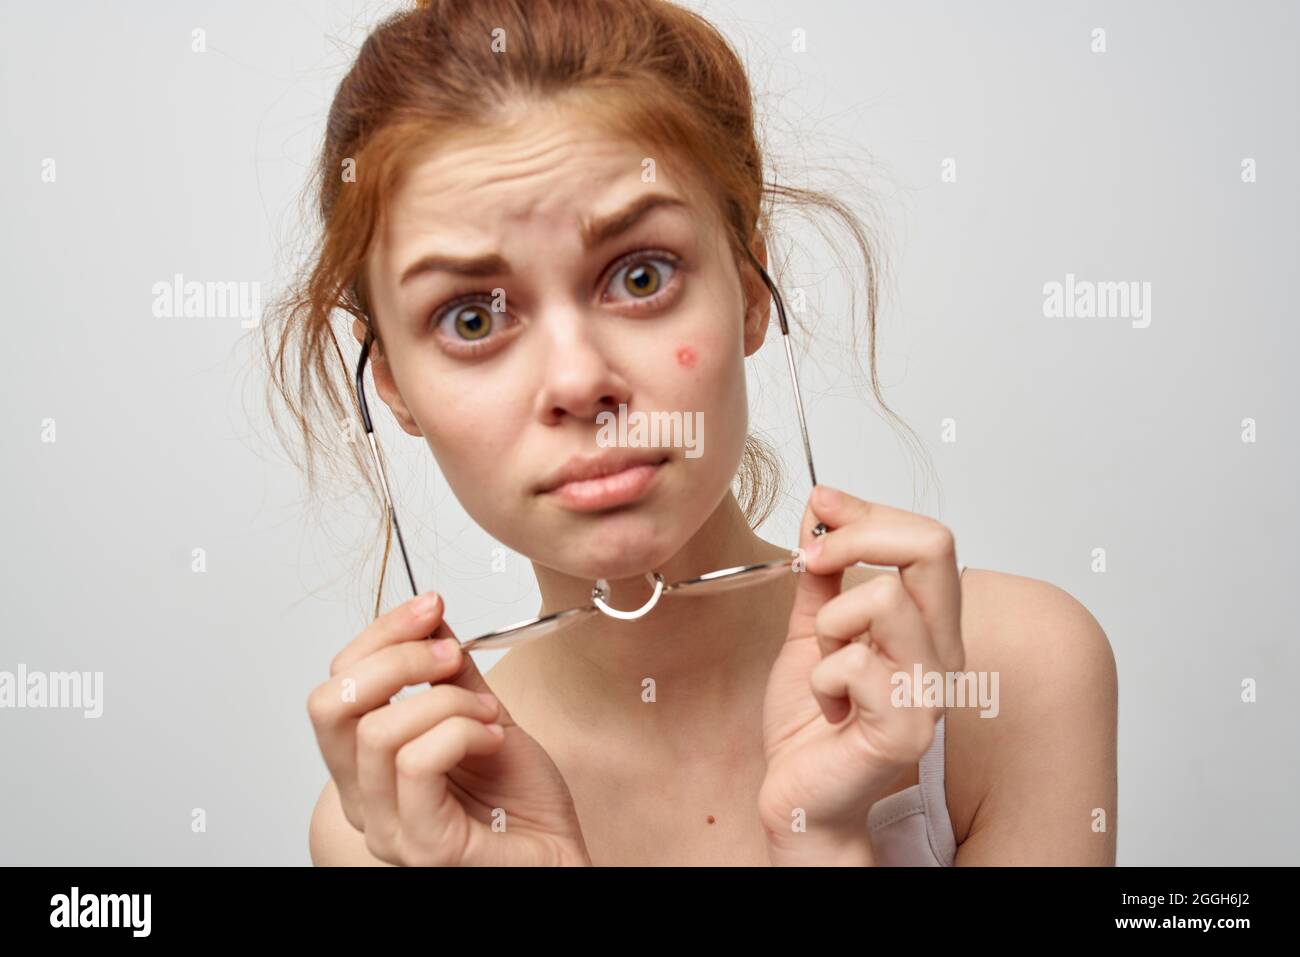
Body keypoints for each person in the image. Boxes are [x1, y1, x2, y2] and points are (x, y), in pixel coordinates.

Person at [264, 0, 1117, 866]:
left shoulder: (1014, 676)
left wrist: (822, 838)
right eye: (471, 320)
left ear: (752, 289)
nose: (578, 380)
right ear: (395, 388)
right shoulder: (393, 819)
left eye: (640, 275)